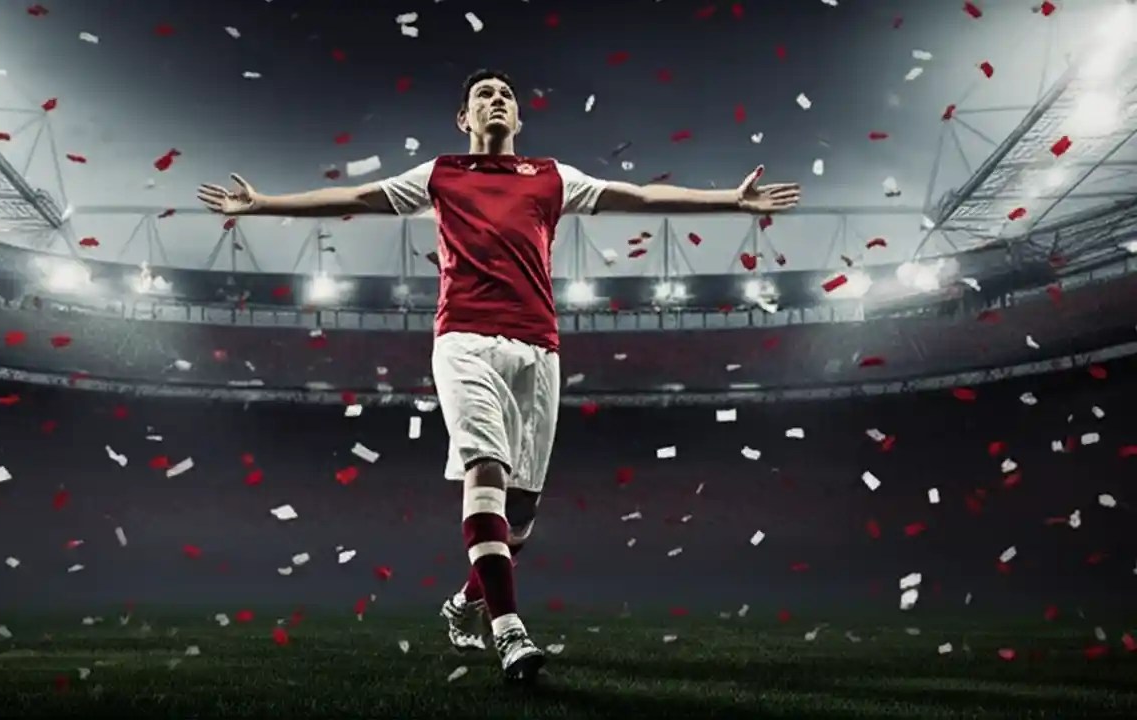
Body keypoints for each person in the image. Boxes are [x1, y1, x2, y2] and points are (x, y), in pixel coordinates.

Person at [197, 69, 800, 682]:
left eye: (505, 95)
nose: (496, 101)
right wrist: (262, 204)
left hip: (539, 348)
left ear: (518, 118)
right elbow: (357, 198)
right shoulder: (440, 174)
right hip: (464, 339)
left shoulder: (552, 176)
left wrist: (733, 200)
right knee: (486, 469)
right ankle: (509, 631)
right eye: (483, 95)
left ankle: (465, 603)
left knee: (523, 511)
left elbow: (638, 198)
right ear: (464, 118)